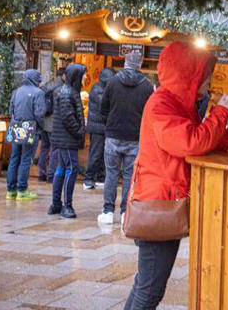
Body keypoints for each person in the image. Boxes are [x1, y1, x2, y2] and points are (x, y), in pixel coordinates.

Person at [119, 41, 228, 310]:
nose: (207, 81)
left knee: (144, 288)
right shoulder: (162, 103)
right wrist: (219, 113)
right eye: (203, 75)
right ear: (187, 74)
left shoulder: (179, 103)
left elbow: (199, 142)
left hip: (165, 200)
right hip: (158, 204)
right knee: (148, 291)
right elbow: (189, 143)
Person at [97, 52, 153, 225]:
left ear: (125, 62)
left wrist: (110, 124)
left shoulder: (112, 82)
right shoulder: (147, 86)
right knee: (129, 175)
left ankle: (107, 211)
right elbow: (149, 113)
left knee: (111, 174)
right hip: (135, 138)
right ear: (140, 64)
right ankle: (124, 212)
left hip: (113, 135)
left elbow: (103, 108)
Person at [48, 63, 87, 218]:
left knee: (62, 169)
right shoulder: (68, 93)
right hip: (67, 139)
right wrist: (79, 131)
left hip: (64, 138)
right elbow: (68, 117)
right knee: (71, 168)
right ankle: (66, 206)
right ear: (76, 75)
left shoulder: (69, 91)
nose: (85, 77)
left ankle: (56, 204)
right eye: (83, 74)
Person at [5, 69, 46, 200]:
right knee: (26, 159)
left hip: (16, 125)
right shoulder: (38, 93)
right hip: (30, 127)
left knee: (14, 158)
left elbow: (11, 110)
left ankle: (11, 191)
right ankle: (22, 190)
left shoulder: (16, 92)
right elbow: (40, 114)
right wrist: (40, 127)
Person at [84, 68, 115, 190]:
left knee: (102, 154)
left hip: (102, 127)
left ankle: (100, 178)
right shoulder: (98, 90)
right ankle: (88, 179)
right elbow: (106, 106)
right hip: (98, 128)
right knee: (95, 154)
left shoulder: (102, 89)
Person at [37, 67, 64, 182]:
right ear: (63, 76)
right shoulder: (61, 88)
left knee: (44, 148)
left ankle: (41, 173)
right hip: (53, 123)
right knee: (55, 149)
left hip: (44, 122)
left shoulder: (48, 85)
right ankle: (51, 175)